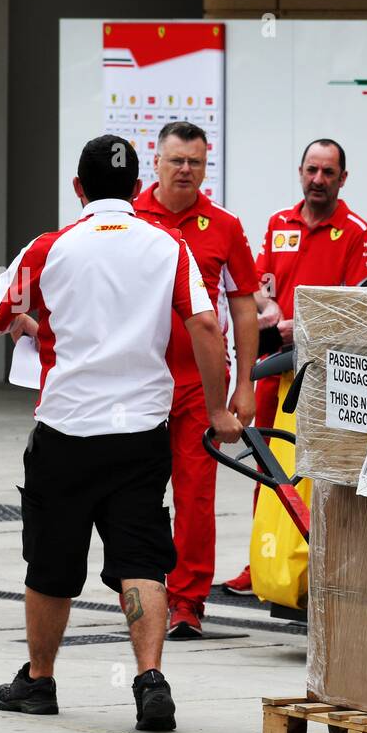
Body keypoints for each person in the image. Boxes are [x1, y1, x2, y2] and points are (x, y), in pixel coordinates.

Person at [0, 135, 242, 732]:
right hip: (141, 431)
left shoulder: (50, 247)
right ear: (135, 186)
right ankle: (149, 680)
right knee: (141, 555)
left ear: (78, 189)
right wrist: (220, 409)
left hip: (65, 428)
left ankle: (39, 682)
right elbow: (203, 321)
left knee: (50, 563)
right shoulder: (168, 244)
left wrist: (27, 318)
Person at [221, 138, 367, 596]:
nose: (318, 180)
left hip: (326, 373)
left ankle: (315, 565)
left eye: (328, 173)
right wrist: (266, 308)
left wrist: (301, 326)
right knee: (264, 463)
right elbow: (258, 283)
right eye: (312, 170)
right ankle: (260, 561)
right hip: (274, 368)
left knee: (319, 473)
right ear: (300, 171)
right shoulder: (278, 223)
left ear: (342, 179)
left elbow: (357, 308)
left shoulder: (356, 232)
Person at [133, 121, 260, 639]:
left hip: (199, 386)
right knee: (135, 493)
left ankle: (187, 602)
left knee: (195, 495)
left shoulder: (225, 226)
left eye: (196, 162)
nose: (186, 170)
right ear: (156, 161)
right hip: (137, 381)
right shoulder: (130, 219)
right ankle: (141, 591)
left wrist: (244, 385)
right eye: (176, 160)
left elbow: (245, 309)